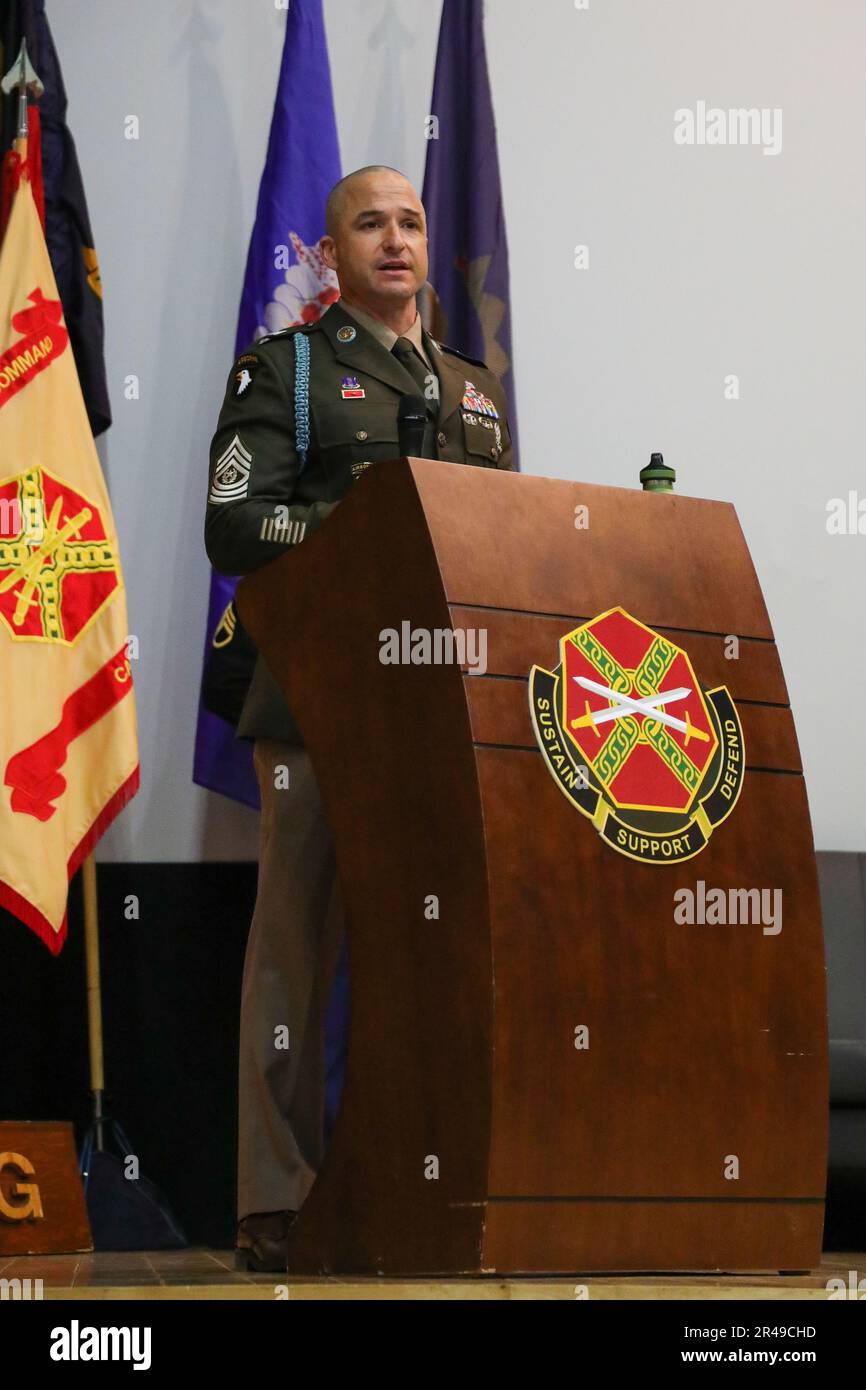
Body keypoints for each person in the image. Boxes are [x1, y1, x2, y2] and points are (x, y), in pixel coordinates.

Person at [204, 165, 513, 1271]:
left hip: (448, 712)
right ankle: (274, 1200)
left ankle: (431, 1184)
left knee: (441, 954)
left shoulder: (474, 393)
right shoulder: (285, 371)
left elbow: (502, 543)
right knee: (294, 946)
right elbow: (236, 526)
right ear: (330, 255)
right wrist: (370, 526)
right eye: (369, 223)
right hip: (321, 707)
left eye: (412, 221)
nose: (396, 239)